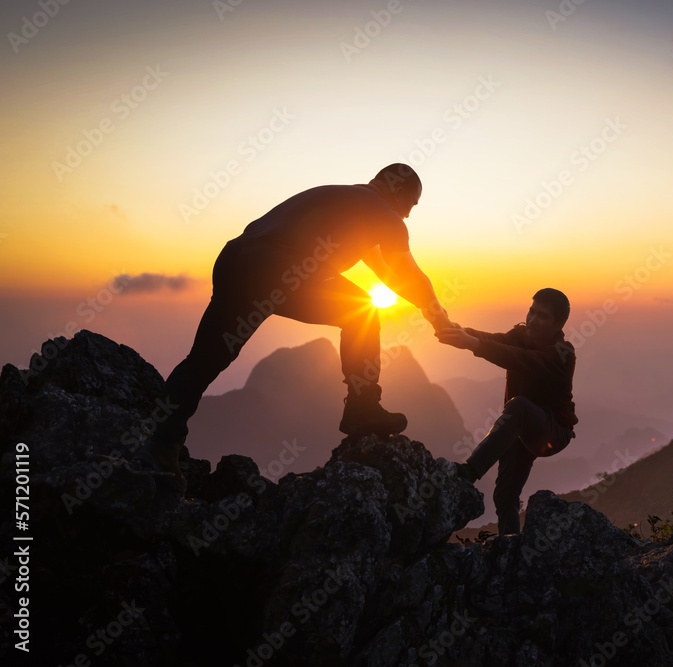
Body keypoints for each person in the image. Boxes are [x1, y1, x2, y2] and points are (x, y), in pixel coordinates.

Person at [141, 164, 451, 490]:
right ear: (398, 192)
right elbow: (407, 275)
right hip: (276, 268)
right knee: (362, 312)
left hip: (236, 258)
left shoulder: (347, 200)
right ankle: (363, 407)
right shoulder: (384, 214)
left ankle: (160, 446)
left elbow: (386, 273)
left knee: (204, 360)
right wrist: (439, 317)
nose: (408, 216)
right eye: (411, 205)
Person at [436, 288, 577, 535]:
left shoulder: (563, 354)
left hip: (553, 432)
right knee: (505, 496)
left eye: (542, 316)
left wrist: (472, 343)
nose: (532, 319)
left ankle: (468, 473)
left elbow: (517, 358)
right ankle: (509, 549)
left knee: (519, 405)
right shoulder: (522, 335)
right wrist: (455, 330)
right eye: (531, 311)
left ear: (558, 325)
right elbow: (495, 340)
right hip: (520, 425)